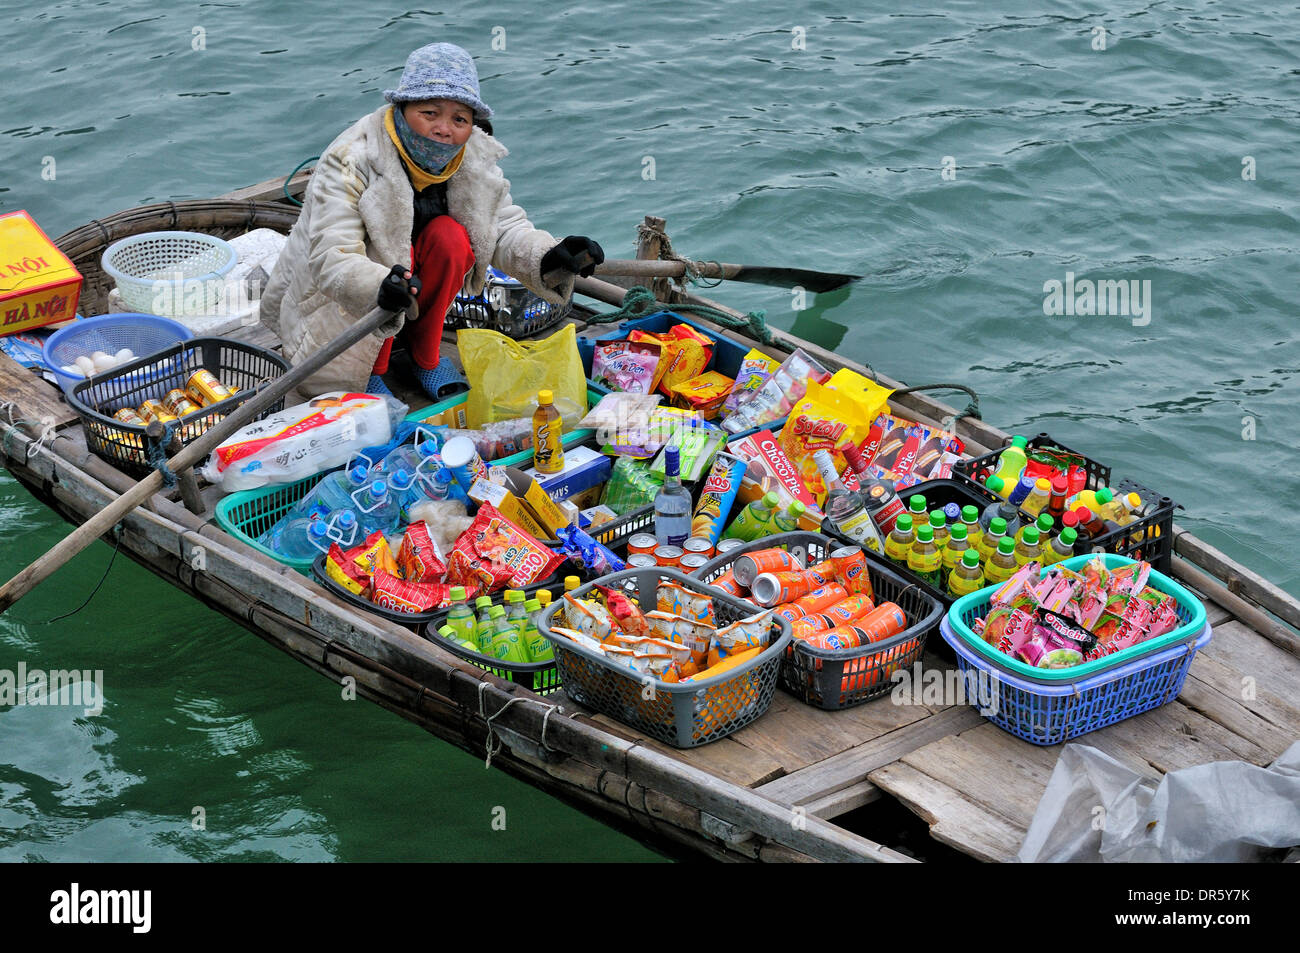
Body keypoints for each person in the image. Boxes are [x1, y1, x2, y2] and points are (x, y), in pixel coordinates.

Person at [260, 41, 604, 399]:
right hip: (336, 300)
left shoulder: (471, 155)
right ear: (401, 108)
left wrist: (552, 255)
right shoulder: (351, 157)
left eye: (459, 119)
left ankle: (424, 355)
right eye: (430, 113)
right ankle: (375, 365)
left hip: (413, 288)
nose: (444, 129)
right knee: (387, 250)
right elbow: (333, 255)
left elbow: (501, 227)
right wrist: (379, 286)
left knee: (452, 238)